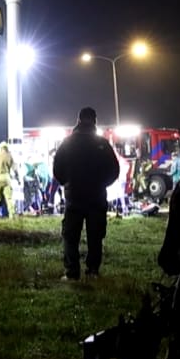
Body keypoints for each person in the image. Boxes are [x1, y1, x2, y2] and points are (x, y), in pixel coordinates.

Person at [52, 107, 121, 281]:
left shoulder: (67, 143)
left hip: (74, 196)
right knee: (95, 235)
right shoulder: (102, 144)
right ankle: (93, 271)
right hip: (97, 196)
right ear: (95, 121)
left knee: (70, 236)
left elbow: (57, 168)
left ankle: (72, 272)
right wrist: (102, 184)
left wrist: (67, 183)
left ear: (78, 120)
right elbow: (114, 170)